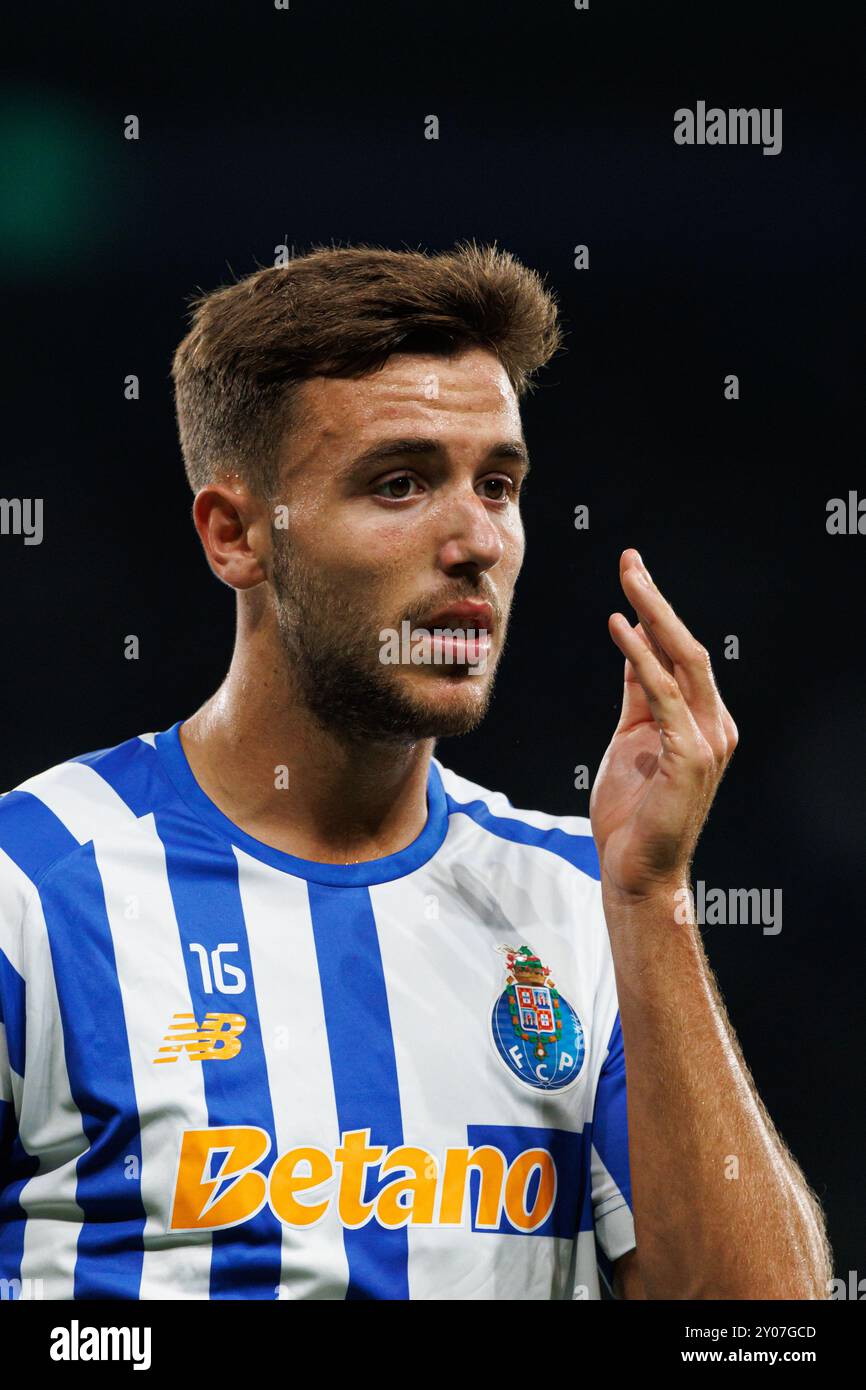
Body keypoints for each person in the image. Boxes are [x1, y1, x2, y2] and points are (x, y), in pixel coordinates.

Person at [0, 243, 830, 1300]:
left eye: (498, 484)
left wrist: (651, 896)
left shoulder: (580, 900)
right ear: (236, 534)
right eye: (399, 484)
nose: (474, 539)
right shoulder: (29, 887)